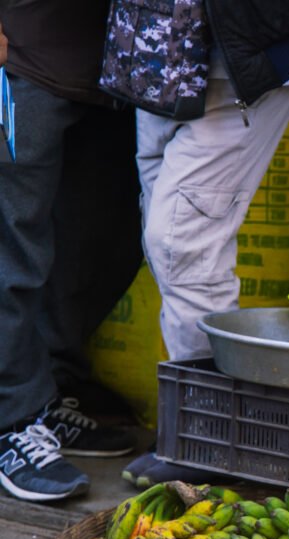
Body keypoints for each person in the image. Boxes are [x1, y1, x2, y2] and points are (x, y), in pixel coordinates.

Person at [119, 0, 289, 487]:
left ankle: (209, 429)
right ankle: (192, 422)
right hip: (156, 53)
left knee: (183, 243)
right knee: (169, 246)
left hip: (237, 57)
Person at [0, 4, 144, 502]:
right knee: (13, 248)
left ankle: (50, 393)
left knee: (104, 244)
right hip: (23, 56)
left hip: (117, 72)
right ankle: (11, 420)